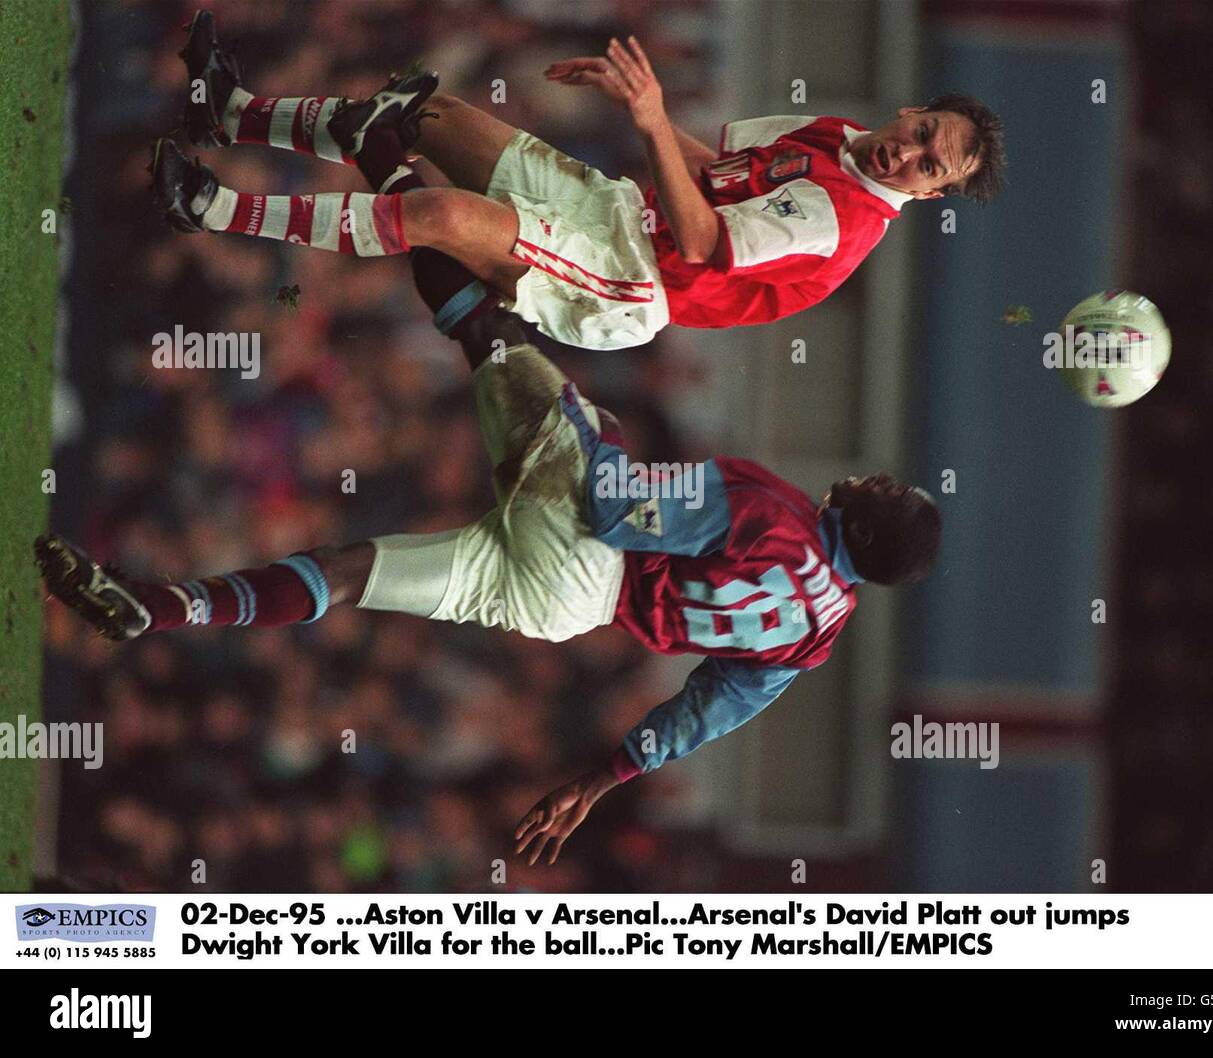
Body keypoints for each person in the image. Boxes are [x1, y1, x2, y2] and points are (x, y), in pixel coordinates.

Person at [42, 120, 942, 864]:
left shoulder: (777, 513)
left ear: (865, 516)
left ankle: (365, 155)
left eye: (884, 489)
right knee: (356, 574)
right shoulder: (816, 635)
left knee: (487, 324)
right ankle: (158, 609)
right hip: (566, 605)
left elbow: (622, 507)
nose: (872, 476)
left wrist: (601, 437)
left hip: (591, 530)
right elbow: (708, 708)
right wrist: (602, 779)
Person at [153, 8, 1005, 351]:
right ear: (909, 111)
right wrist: (645, 109)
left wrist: (645, 122)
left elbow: (708, 245)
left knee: (441, 213)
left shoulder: (841, 222)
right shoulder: (841, 137)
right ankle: (227, 113)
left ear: (928, 195)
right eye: (925, 133)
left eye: (932, 166)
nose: (913, 153)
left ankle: (217, 206)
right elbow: (716, 174)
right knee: (425, 113)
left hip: (635, 284)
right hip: (625, 212)